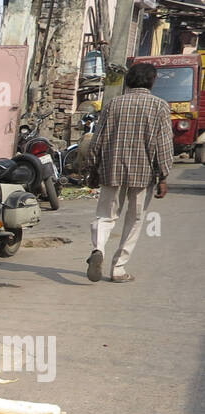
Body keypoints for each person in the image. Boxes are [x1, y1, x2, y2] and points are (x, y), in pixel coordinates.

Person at [86, 62, 174, 283]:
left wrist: (93, 168)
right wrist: (164, 175)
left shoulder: (113, 104)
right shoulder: (160, 106)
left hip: (111, 169)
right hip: (143, 174)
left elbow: (98, 140)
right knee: (134, 220)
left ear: (128, 80)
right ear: (152, 81)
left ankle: (98, 249)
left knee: (105, 216)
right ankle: (118, 269)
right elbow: (164, 144)